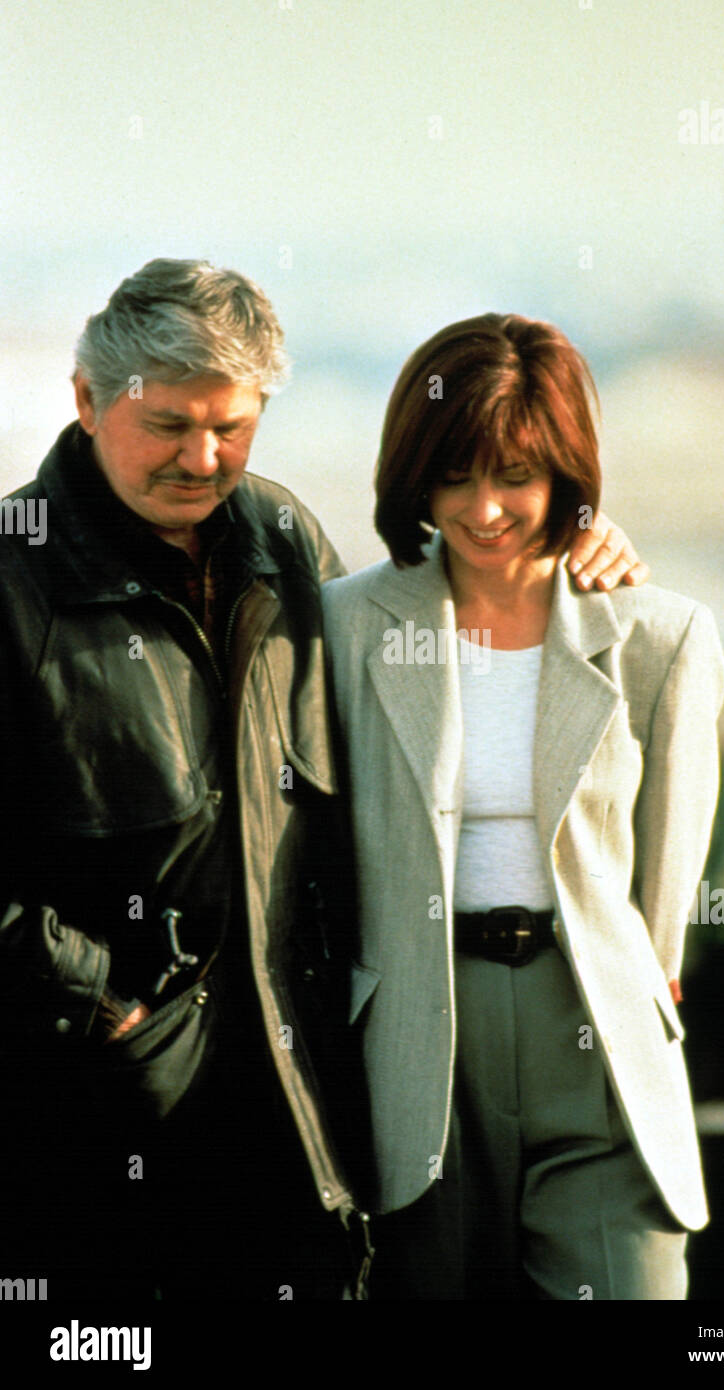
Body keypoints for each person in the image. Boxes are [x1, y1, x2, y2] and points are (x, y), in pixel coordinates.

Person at [0, 262, 644, 1303]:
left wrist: (575, 549)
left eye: (232, 426)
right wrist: (108, 1006)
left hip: (304, 1121)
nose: (203, 459)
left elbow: (440, 654)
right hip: (96, 1136)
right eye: (168, 424)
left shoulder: (286, 540)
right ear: (84, 397)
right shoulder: (12, 580)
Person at [322, 313, 724, 1300]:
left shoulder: (659, 638)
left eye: (516, 475)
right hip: (417, 1043)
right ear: (415, 474)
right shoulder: (345, 626)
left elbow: (665, 895)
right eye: (456, 474)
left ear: (567, 473)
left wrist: (639, 990)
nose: (485, 508)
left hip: (592, 1039)